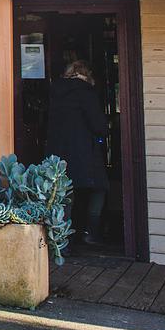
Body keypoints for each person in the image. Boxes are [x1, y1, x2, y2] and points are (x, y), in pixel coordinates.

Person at [45, 60, 109, 244]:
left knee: (64, 192)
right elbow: (98, 125)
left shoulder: (55, 92)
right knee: (99, 187)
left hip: (57, 151)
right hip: (83, 150)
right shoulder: (86, 92)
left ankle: (61, 239)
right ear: (87, 74)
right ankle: (91, 232)